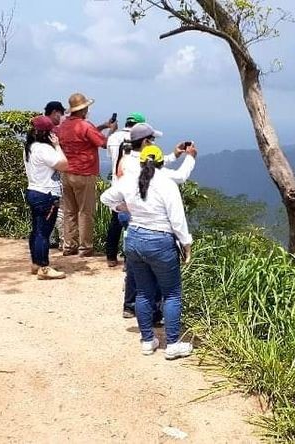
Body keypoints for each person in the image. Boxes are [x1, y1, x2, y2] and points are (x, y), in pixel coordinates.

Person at [101, 134, 194, 360]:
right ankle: (172, 344)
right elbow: (177, 220)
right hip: (160, 241)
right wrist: (186, 245)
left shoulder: (130, 180)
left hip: (134, 238)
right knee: (171, 294)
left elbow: (106, 198)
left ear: (141, 162)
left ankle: (147, 341)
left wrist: (123, 208)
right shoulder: (167, 184)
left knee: (143, 292)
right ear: (161, 162)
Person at [108, 123, 198, 319]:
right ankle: (152, 311)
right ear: (147, 141)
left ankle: (132, 307)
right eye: (153, 140)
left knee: (137, 266)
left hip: (135, 219)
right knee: (153, 272)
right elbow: (175, 176)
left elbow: (153, 165)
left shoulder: (129, 159)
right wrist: (190, 158)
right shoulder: (140, 167)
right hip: (149, 221)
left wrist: (174, 155)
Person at [56, 93, 117, 257]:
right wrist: (111, 131)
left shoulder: (63, 126)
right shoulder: (85, 125)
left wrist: (103, 126)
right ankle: (85, 247)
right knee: (85, 212)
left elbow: (83, 136)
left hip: (67, 173)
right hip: (84, 173)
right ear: (83, 109)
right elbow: (104, 143)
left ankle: (69, 245)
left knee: (69, 211)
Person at [25, 115, 69, 279]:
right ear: (48, 134)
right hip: (46, 194)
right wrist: (57, 146)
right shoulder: (45, 149)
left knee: (37, 230)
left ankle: (36, 263)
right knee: (44, 232)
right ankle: (44, 268)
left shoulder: (30, 147)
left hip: (34, 191)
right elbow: (64, 165)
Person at [103, 112, 146, 268]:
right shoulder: (139, 140)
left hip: (116, 183)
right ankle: (129, 260)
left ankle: (111, 257)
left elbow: (111, 157)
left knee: (115, 221)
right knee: (133, 224)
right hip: (132, 185)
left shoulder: (113, 137)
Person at [43, 101, 66, 249]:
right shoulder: (52, 131)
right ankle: (64, 241)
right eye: (61, 114)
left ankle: (49, 238)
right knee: (59, 208)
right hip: (53, 174)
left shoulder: (39, 128)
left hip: (39, 178)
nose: (61, 117)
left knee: (46, 209)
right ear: (55, 112)